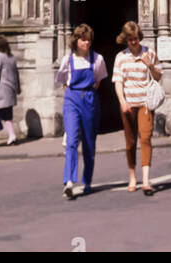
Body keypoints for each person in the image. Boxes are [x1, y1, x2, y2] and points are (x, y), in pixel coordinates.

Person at [57, 23, 108, 198]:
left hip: (89, 99)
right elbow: (63, 81)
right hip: (72, 98)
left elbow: (99, 80)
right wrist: (74, 95)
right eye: (83, 39)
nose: (86, 43)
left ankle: (87, 180)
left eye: (88, 40)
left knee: (89, 142)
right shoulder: (67, 60)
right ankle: (69, 181)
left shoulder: (98, 59)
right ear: (76, 40)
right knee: (71, 140)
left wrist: (88, 94)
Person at [113, 21, 162, 196]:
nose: (134, 42)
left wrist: (149, 65)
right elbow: (118, 81)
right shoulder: (121, 57)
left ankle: (146, 180)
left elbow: (158, 77)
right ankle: (132, 175)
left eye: (136, 39)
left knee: (146, 137)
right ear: (125, 39)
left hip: (145, 103)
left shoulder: (149, 53)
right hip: (128, 103)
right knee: (130, 141)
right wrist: (122, 101)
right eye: (130, 39)